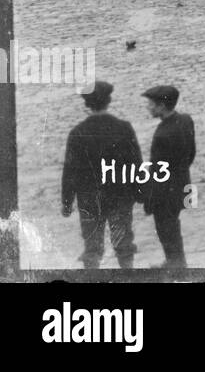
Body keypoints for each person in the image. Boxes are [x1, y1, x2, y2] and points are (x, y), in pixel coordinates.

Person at [61, 81, 141, 270]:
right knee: (123, 245)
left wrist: (66, 202)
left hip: (89, 200)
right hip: (120, 197)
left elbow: (70, 171)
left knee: (92, 249)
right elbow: (136, 164)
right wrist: (140, 193)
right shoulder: (124, 128)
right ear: (109, 100)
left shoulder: (77, 133)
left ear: (87, 104)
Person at [140, 85, 195, 271]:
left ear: (162, 106)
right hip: (182, 185)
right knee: (173, 227)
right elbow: (191, 154)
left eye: (151, 104)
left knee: (166, 230)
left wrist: (148, 199)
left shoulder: (162, 135)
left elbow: (157, 172)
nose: (148, 107)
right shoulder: (186, 120)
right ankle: (176, 262)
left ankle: (176, 266)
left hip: (164, 194)